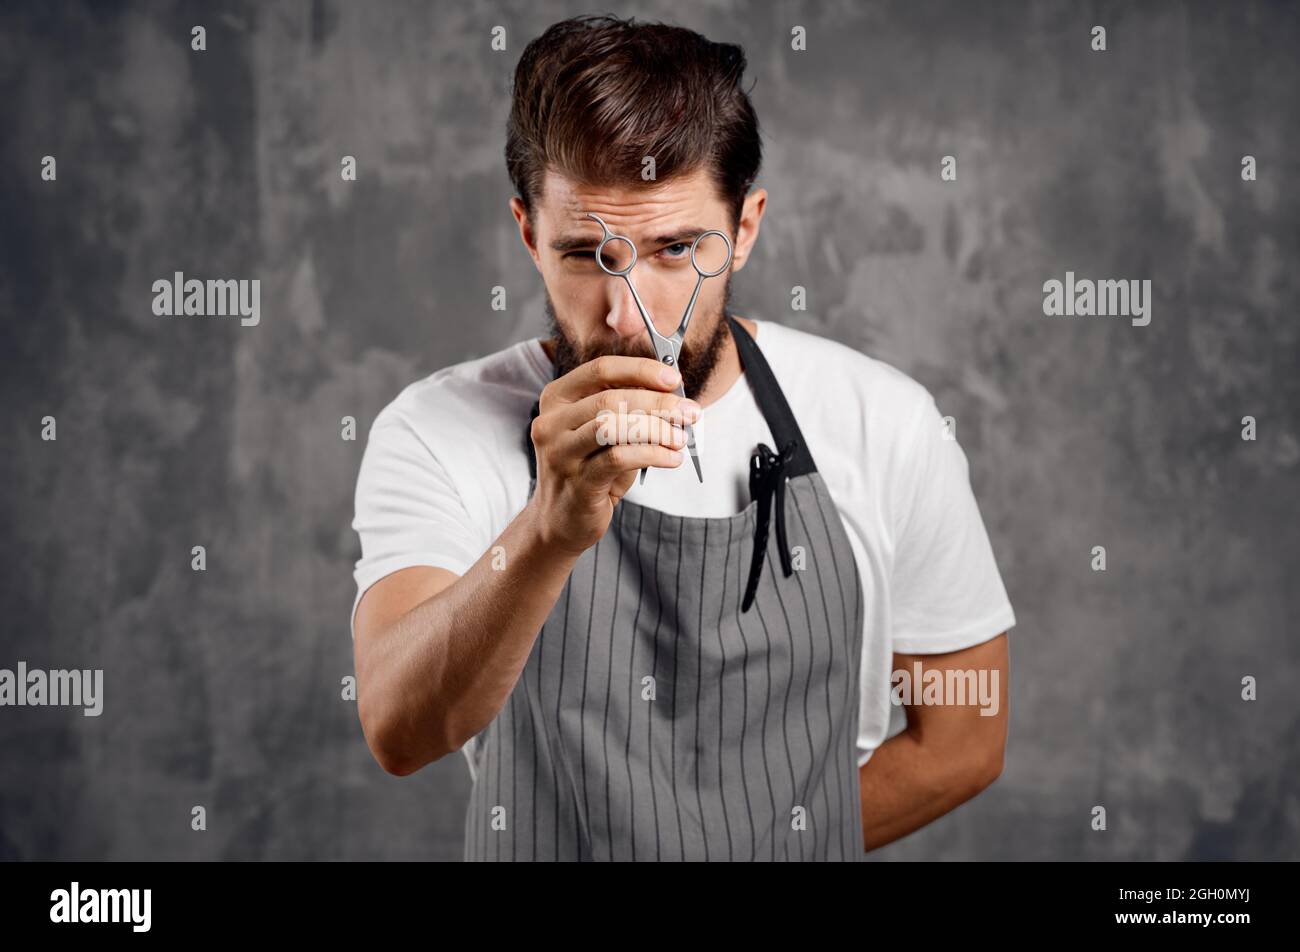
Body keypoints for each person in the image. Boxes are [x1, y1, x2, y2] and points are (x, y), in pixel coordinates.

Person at [350, 14, 1016, 861]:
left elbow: (963, 740)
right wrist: (549, 529)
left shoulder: (883, 424)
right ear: (527, 233)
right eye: (589, 255)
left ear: (744, 229)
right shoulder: (436, 432)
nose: (631, 318)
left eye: (675, 249)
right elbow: (401, 730)